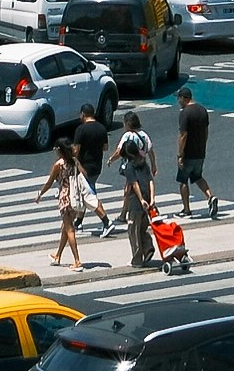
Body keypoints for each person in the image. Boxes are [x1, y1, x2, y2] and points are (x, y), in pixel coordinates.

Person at [115, 115, 157, 266]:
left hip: (136, 203)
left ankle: (137, 259)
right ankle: (148, 246)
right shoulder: (143, 165)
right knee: (143, 228)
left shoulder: (129, 167)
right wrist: (151, 199)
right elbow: (151, 180)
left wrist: (141, 200)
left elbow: (134, 185)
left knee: (133, 230)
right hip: (148, 200)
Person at [41, 142, 89, 270]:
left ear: (59, 150)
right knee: (65, 227)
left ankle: (77, 261)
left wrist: (40, 194)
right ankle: (58, 255)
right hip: (75, 198)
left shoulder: (59, 165)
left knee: (70, 230)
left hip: (65, 199)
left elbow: (49, 182)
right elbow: (84, 174)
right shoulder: (74, 161)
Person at [175, 86, 220, 220]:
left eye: (179, 98)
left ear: (184, 98)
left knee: (183, 180)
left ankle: (186, 210)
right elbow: (206, 131)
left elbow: (183, 135)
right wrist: (203, 145)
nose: (178, 101)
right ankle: (210, 196)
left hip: (188, 152)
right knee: (198, 176)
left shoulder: (185, 113)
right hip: (200, 151)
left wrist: (180, 154)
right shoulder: (202, 110)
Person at [73, 90, 114, 231]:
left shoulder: (81, 130)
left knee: (89, 196)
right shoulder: (102, 128)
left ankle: (106, 222)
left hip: (84, 167)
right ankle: (78, 222)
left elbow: (76, 150)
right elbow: (105, 147)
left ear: (83, 114)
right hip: (97, 166)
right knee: (86, 193)